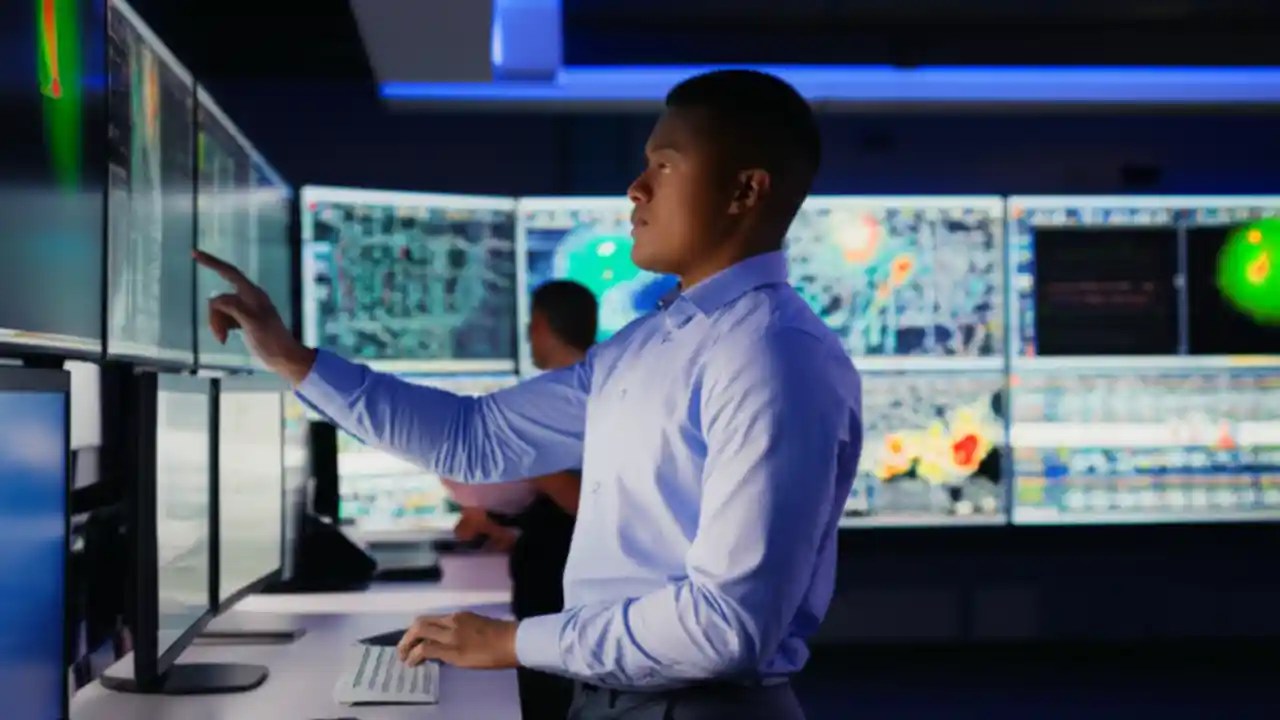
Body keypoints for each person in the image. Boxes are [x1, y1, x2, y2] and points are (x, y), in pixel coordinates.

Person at [195, 68, 862, 720]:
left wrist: (514, 641)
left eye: (664, 165)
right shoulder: (647, 346)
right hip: (616, 695)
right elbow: (473, 438)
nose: (635, 189)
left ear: (745, 192)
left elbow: (725, 626)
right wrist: (290, 358)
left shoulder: (772, 356)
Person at [446, 279, 598, 720]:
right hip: (548, 578)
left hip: (565, 600)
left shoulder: (587, 399)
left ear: (541, 326)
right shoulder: (571, 394)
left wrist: (522, 457)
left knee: (552, 701)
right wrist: (503, 527)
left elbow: (588, 505)